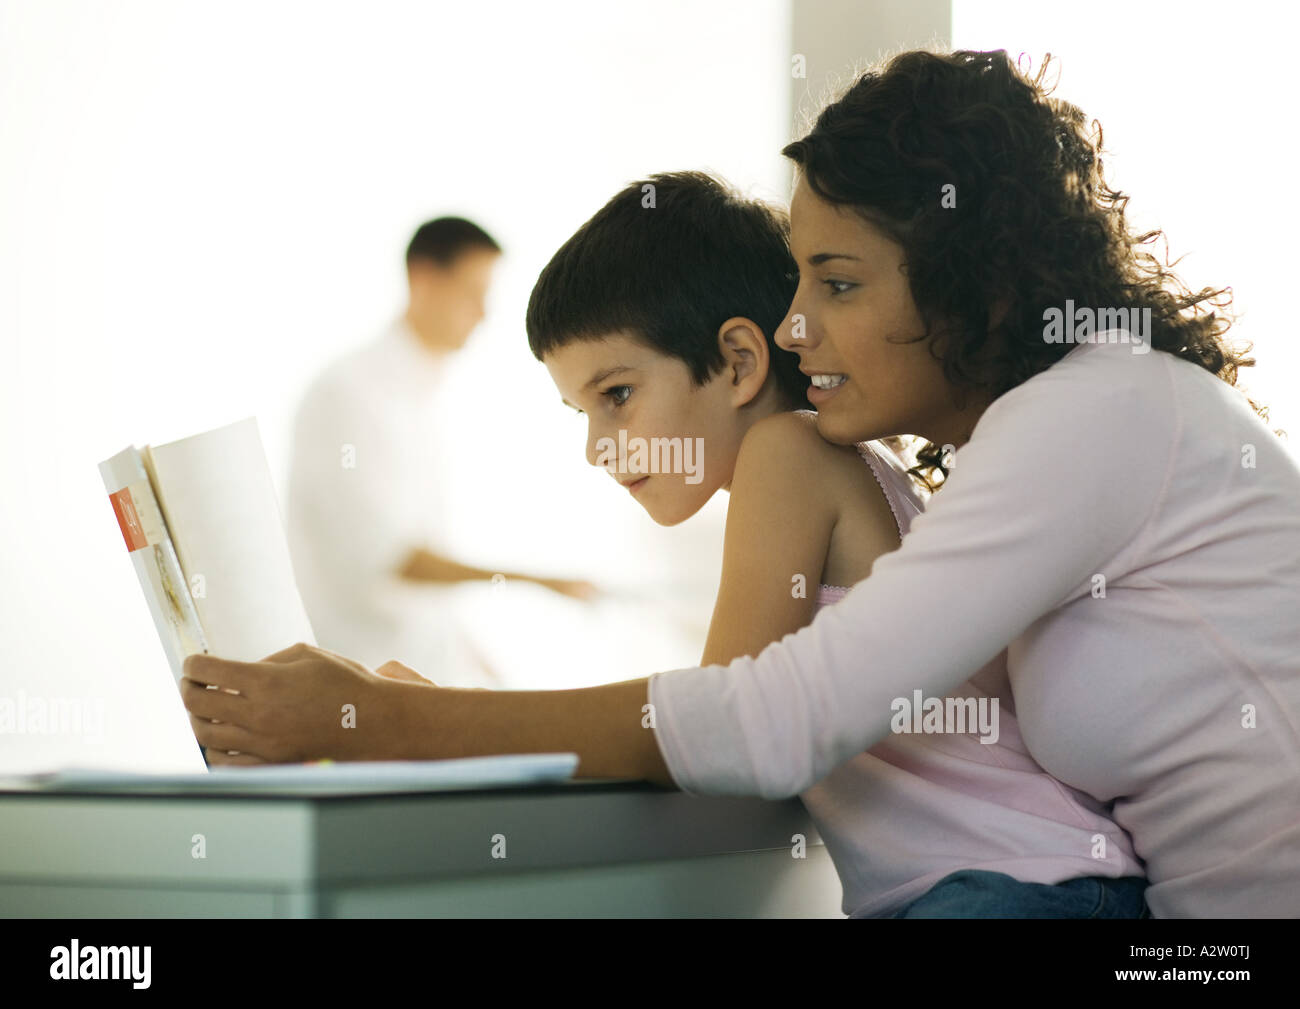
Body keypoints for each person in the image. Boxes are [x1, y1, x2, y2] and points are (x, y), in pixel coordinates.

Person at [184, 49, 1300, 917]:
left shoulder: (1085, 413)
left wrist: (392, 718)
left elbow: (760, 720)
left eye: (840, 280)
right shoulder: (1010, 457)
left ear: (973, 278)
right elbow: (766, 704)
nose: (796, 325)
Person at [523, 168, 1149, 917]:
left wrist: (463, 726)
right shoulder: (862, 467)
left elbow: (719, 723)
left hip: (1007, 890)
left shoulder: (784, 456)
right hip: (1059, 879)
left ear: (738, 362)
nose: (600, 445)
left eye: (616, 396)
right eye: (579, 413)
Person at [286, 217, 592, 688]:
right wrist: (539, 581)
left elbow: (419, 579)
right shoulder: (350, 392)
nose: (484, 313)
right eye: (473, 292)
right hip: (360, 681)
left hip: (416, 673)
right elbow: (394, 560)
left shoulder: (418, 396)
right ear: (424, 279)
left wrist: (479, 665)